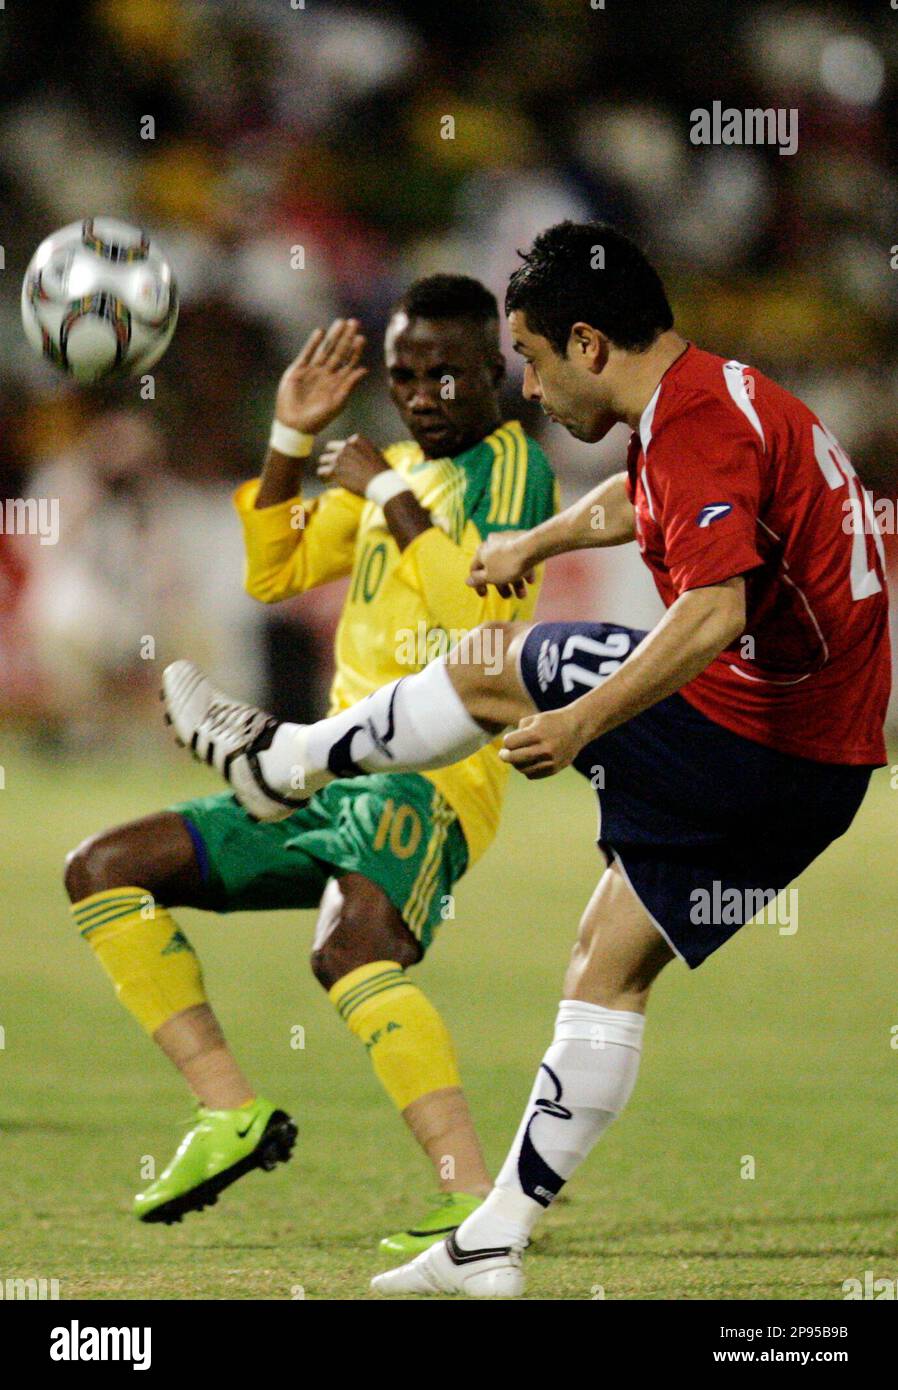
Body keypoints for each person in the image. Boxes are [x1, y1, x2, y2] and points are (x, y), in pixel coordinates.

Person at [161, 222, 889, 1296]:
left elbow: (708, 610)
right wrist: (537, 542)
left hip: (762, 732)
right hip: (825, 766)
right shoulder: (720, 396)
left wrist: (588, 718)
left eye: (534, 360)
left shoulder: (689, 424)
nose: (530, 388)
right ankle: (491, 1240)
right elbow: (644, 499)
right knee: (607, 961)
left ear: (588, 344)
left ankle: (286, 764)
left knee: (502, 658)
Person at [65, 276, 556, 1249]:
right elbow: (274, 568)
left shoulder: (512, 472)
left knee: (350, 951)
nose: (422, 395)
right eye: (406, 375)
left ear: (492, 373)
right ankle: (226, 1116)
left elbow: (481, 629)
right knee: (103, 869)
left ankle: (475, 1198)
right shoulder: (406, 464)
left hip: (434, 774)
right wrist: (290, 441)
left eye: (446, 374)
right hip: (325, 770)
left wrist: (384, 490)